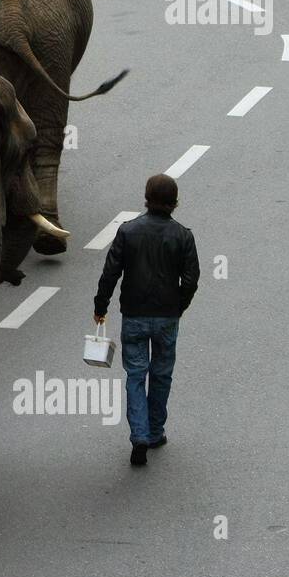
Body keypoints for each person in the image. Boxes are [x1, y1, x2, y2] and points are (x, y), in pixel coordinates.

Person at [93, 174, 200, 467]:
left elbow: (110, 273)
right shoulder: (183, 236)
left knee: (136, 375)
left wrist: (100, 305)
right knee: (162, 374)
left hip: (135, 316)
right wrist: (179, 306)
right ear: (175, 202)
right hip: (167, 317)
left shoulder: (128, 232)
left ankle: (139, 434)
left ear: (146, 198)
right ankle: (155, 432)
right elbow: (191, 280)